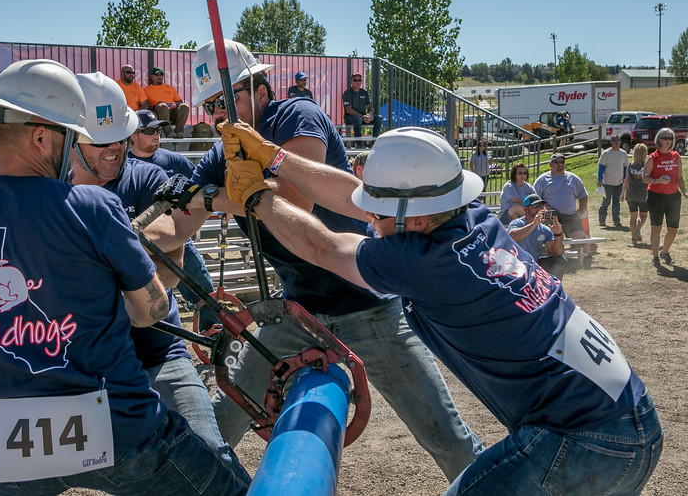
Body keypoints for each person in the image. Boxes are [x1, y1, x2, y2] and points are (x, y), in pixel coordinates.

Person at [219, 124, 662, 495]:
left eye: (379, 215)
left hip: (586, 440)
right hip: (633, 417)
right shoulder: (471, 218)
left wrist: (258, 197)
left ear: (416, 219)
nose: (369, 220)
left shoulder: (424, 263)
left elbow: (320, 245)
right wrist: (275, 158)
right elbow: (359, 195)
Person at [151, 39, 483, 482]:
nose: (216, 116)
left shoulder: (295, 116)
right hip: (297, 314)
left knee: (446, 435)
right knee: (221, 422)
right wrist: (132, 244)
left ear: (260, 89)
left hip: (370, 307)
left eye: (223, 101)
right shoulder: (220, 155)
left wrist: (217, 198)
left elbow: (294, 202)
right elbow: (179, 222)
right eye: (210, 107)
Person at [0, 59, 250, 495]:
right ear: (41, 136)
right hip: (122, 430)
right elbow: (152, 310)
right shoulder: (89, 205)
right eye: (71, 136)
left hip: (13, 445)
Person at [72, 72, 243, 471]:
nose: (114, 148)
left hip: (159, 350)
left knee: (211, 454)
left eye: (120, 137)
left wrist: (93, 256)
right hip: (83, 366)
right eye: (101, 141)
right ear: (71, 138)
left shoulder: (144, 175)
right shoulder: (52, 187)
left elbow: (170, 232)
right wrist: (131, 260)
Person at [128, 109, 217, 332]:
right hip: (138, 244)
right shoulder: (123, 166)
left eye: (157, 130)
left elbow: (199, 188)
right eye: (148, 131)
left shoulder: (175, 161)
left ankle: (212, 332)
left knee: (203, 288)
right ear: (133, 137)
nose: (156, 134)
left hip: (177, 240)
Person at [642, 128, 688, 267]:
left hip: (673, 197)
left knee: (673, 228)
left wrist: (685, 192)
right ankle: (655, 256)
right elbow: (645, 178)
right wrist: (658, 181)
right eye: (665, 138)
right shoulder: (653, 157)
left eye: (670, 138)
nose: (668, 141)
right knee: (656, 227)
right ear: (659, 140)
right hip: (656, 196)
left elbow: (679, 178)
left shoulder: (676, 156)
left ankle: (665, 252)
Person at [507, 194, 566, 279]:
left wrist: (557, 234)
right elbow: (512, 236)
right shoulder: (517, 223)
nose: (539, 208)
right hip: (516, 264)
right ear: (525, 209)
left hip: (534, 264)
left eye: (541, 205)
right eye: (535, 206)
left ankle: (553, 290)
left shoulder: (545, 229)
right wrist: (533, 224)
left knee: (559, 260)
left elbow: (556, 253)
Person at [533, 152, 589, 240]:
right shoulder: (542, 180)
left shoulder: (573, 178)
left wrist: (582, 209)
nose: (560, 164)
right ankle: (557, 252)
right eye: (557, 162)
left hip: (569, 216)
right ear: (550, 164)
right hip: (550, 216)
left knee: (582, 238)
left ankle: (584, 252)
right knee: (555, 238)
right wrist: (546, 210)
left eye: (562, 162)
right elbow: (536, 200)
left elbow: (583, 195)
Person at [144, 67, 190, 139]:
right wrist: (155, 105)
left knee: (184, 106)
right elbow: (145, 106)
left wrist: (175, 105)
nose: (159, 77)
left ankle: (179, 132)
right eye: (157, 75)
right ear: (152, 77)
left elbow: (179, 102)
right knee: (163, 106)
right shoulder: (147, 90)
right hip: (157, 114)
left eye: (161, 74)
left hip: (172, 112)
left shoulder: (170, 88)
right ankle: (168, 133)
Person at [621, 143, 649, 246]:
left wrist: (622, 193)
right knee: (644, 216)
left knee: (633, 217)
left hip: (631, 194)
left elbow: (626, 180)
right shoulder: (646, 165)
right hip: (643, 194)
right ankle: (638, 228)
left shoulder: (630, 165)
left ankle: (633, 238)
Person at [597, 135, 628, 227]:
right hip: (607, 182)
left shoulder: (623, 153)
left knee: (616, 203)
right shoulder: (606, 153)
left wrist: (624, 178)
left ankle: (616, 220)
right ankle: (602, 220)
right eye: (615, 141)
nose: (617, 142)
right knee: (606, 202)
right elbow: (601, 167)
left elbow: (625, 167)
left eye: (618, 141)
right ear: (611, 142)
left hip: (619, 183)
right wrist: (599, 179)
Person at [342, 73, 382, 138]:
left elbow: (370, 106)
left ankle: (374, 141)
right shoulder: (347, 93)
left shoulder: (364, 92)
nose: (358, 82)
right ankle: (359, 143)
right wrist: (362, 117)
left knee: (378, 119)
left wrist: (370, 114)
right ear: (351, 81)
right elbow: (348, 110)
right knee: (358, 119)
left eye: (359, 80)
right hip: (350, 117)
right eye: (355, 80)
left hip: (363, 117)